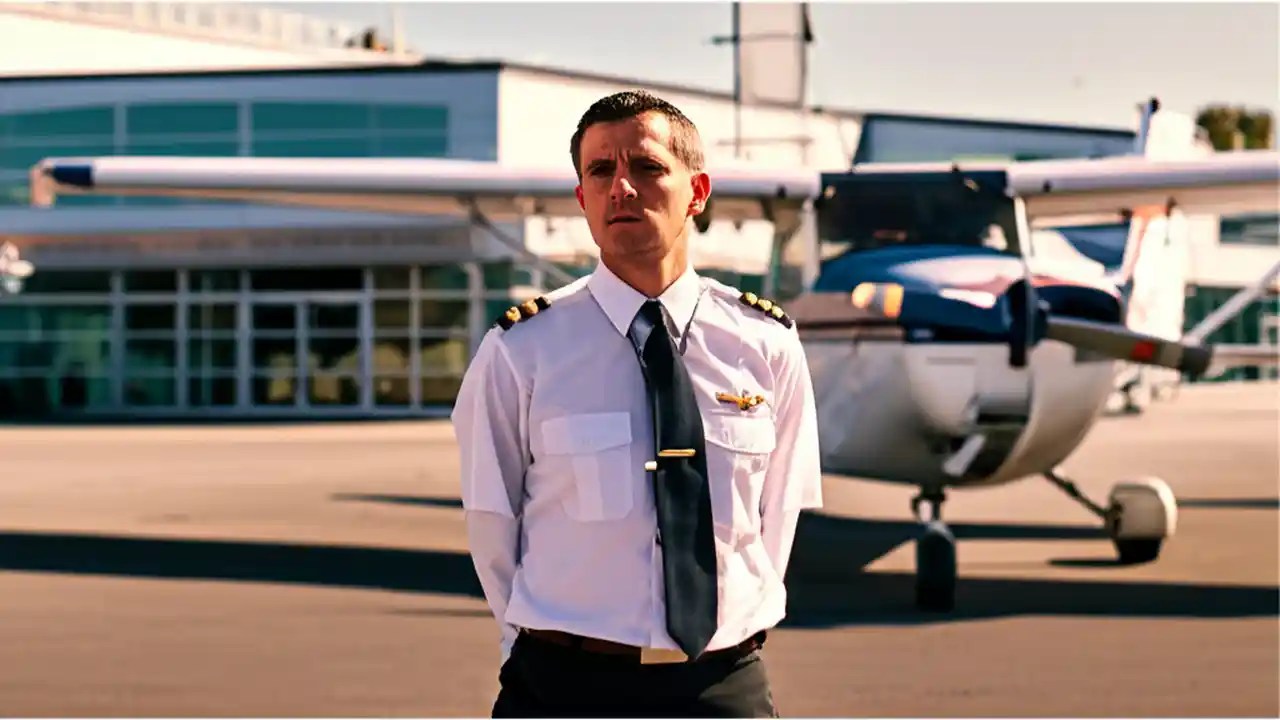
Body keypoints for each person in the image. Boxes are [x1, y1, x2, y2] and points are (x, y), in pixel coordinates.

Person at [452, 89, 822, 718]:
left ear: (697, 191)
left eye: (647, 167)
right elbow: (492, 523)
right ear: (582, 198)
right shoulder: (520, 350)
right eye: (601, 171)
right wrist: (530, 649)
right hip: (564, 687)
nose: (621, 188)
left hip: (720, 686)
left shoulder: (766, 344)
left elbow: (777, 516)